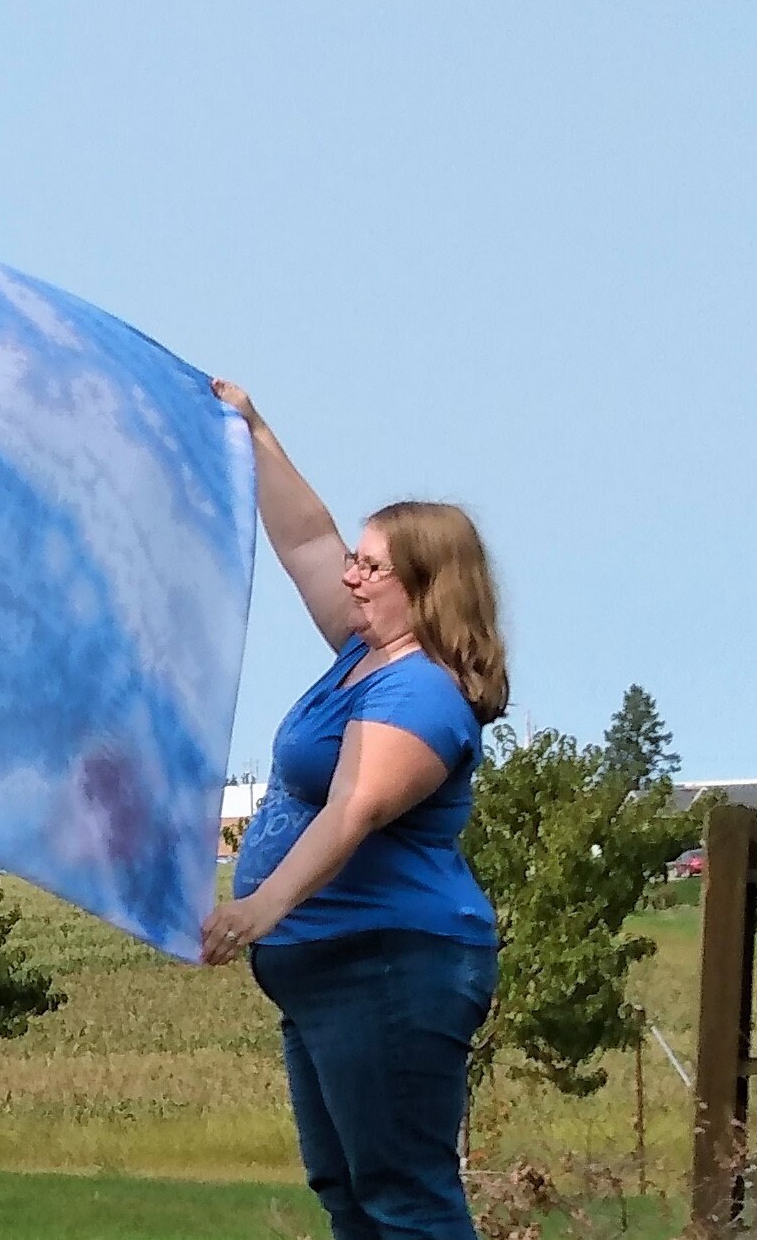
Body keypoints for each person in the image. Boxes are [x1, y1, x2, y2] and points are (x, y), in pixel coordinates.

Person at [199, 381, 507, 1240]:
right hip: (331, 972)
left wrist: (257, 909)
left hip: (388, 966)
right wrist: (251, 428)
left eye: (372, 566)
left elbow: (352, 809)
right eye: (359, 559)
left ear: (425, 588)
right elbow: (302, 537)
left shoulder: (419, 689)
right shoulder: (361, 652)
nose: (351, 573)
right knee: (350, 1191)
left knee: (405, 1198)